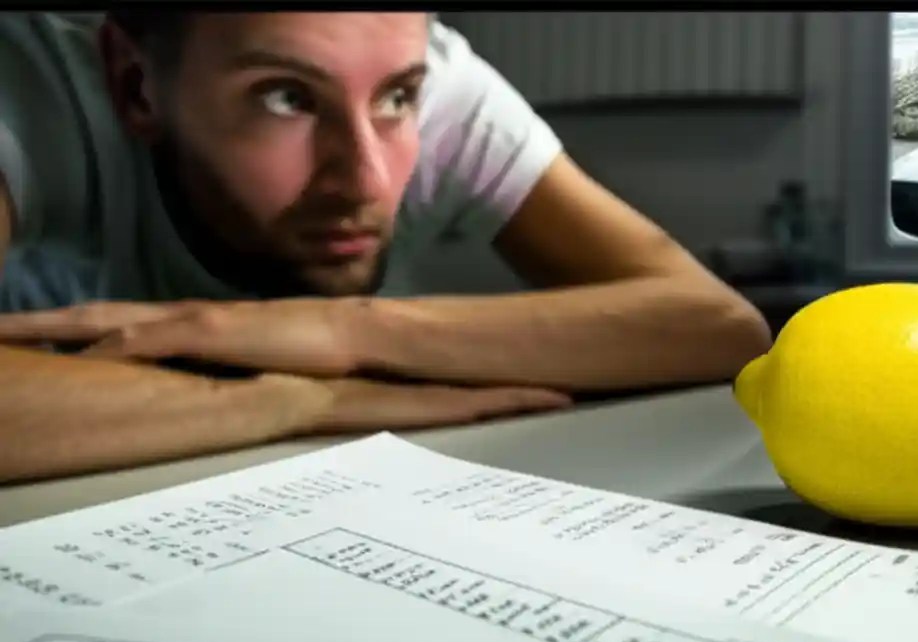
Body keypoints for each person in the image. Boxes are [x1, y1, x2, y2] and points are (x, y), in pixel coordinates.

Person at [0, 12, 772, 482]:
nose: (366, 179)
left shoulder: (444, 85)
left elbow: (713, 326)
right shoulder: (34, 87)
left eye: (397, 97)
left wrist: (345, 330)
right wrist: (295, 399)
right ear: (136, 86)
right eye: (286, 96)